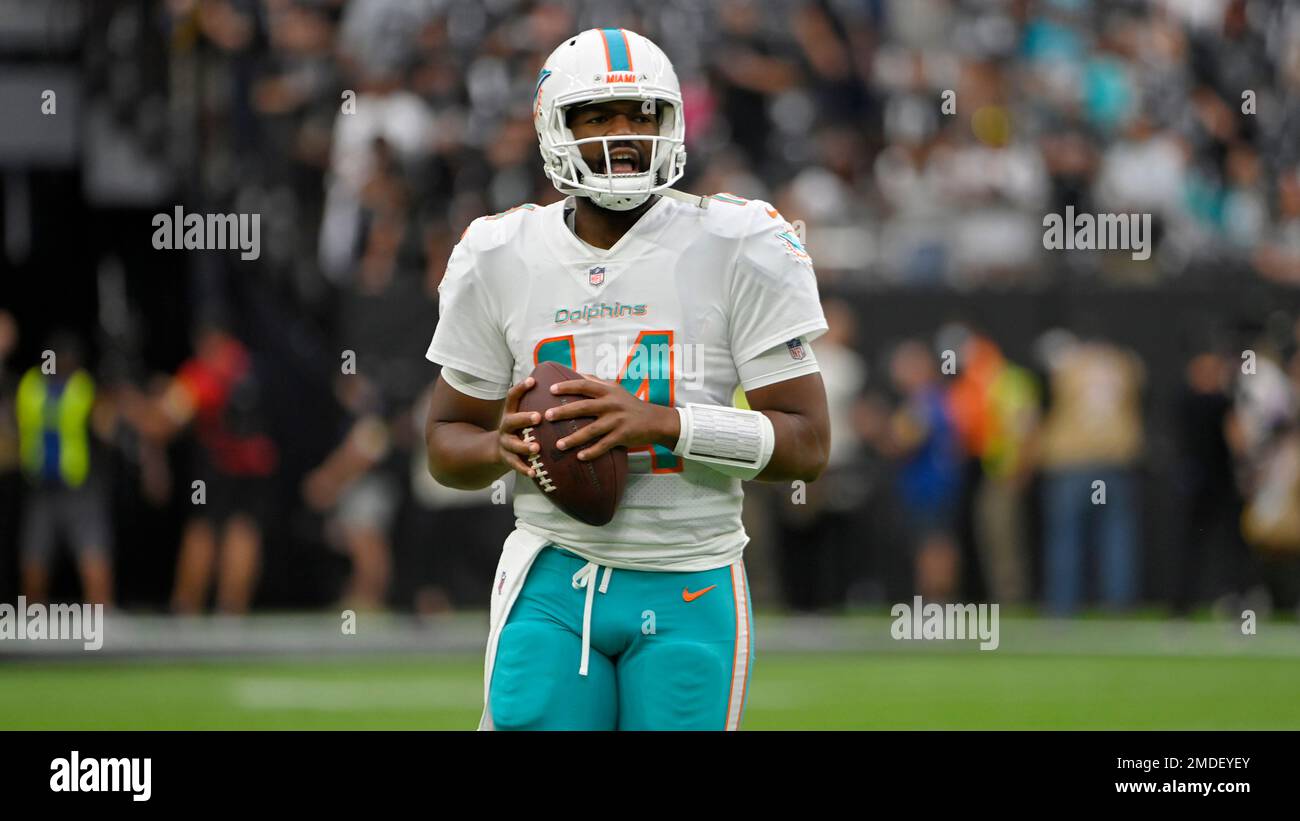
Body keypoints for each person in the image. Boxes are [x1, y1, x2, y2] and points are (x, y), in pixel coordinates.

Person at [423, 28, 829, 730]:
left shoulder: (741, 242)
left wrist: (665, 422)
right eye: (598, 116)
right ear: (556, 129)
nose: (625, 134)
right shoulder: (499, 252)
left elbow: (809, 444)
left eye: (642, 114)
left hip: (690, 577)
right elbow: (445, 440)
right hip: (550, 573)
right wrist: (503, 448)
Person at [14, 331, 115, 605]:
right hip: (41, 488)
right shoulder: (32, 387)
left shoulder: (81, 387)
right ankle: (34, 625)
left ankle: (103, 622)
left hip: (78, 487)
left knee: (92, 556)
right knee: (35, 562)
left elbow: (105, 425)